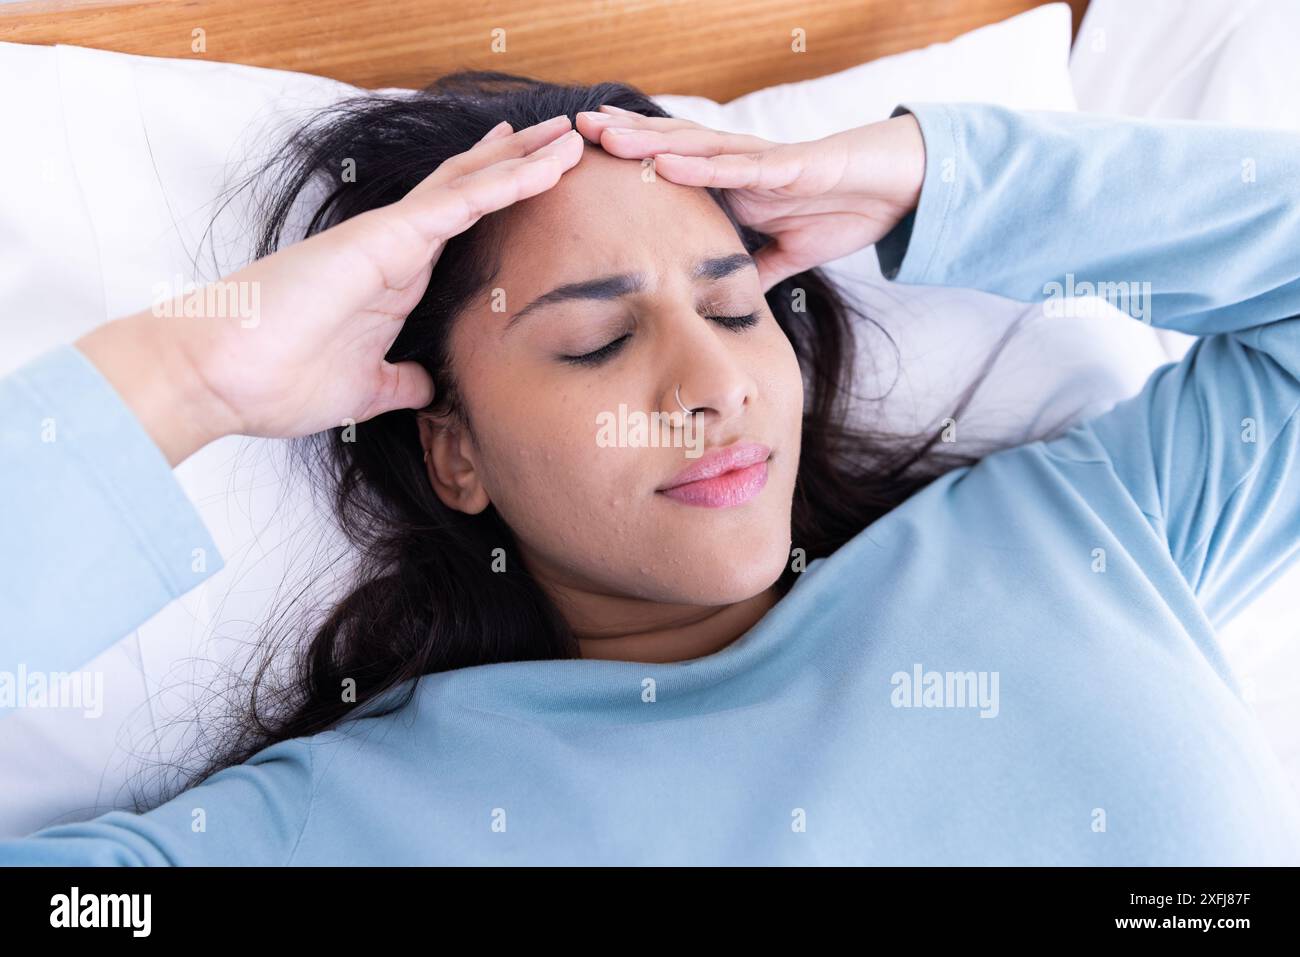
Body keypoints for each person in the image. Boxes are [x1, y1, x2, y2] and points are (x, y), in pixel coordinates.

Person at [3, 73, 1299, 864]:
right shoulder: (372, 819)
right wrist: (182, 377)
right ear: (453, 451)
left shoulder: (1084, 532)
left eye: (738, 311)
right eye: (599, 339)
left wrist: (937, 176)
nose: (716, 384)